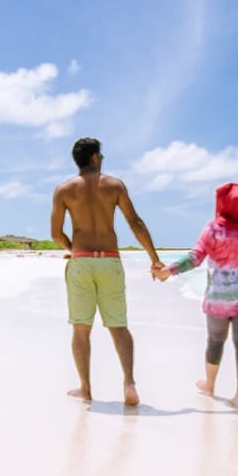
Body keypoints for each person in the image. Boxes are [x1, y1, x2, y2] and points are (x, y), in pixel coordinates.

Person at [50, 136, 165, 407]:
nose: (102, 159)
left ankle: (86, 389)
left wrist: (74, 248)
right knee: (119, 327)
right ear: (94, 157)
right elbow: (135, 222)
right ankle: (129, 383)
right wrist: (154, 258)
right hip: (110, 260)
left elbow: (55, 234)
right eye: (100, 155)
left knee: (81, 329)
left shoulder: (63, 189)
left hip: (81, 262)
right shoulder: (114, 185)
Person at [156, 182, 238, 409]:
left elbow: (195, 258)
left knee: (216, 341)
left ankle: (209, 385)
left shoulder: (213, 229)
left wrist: (169, 271)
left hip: (219, 298)